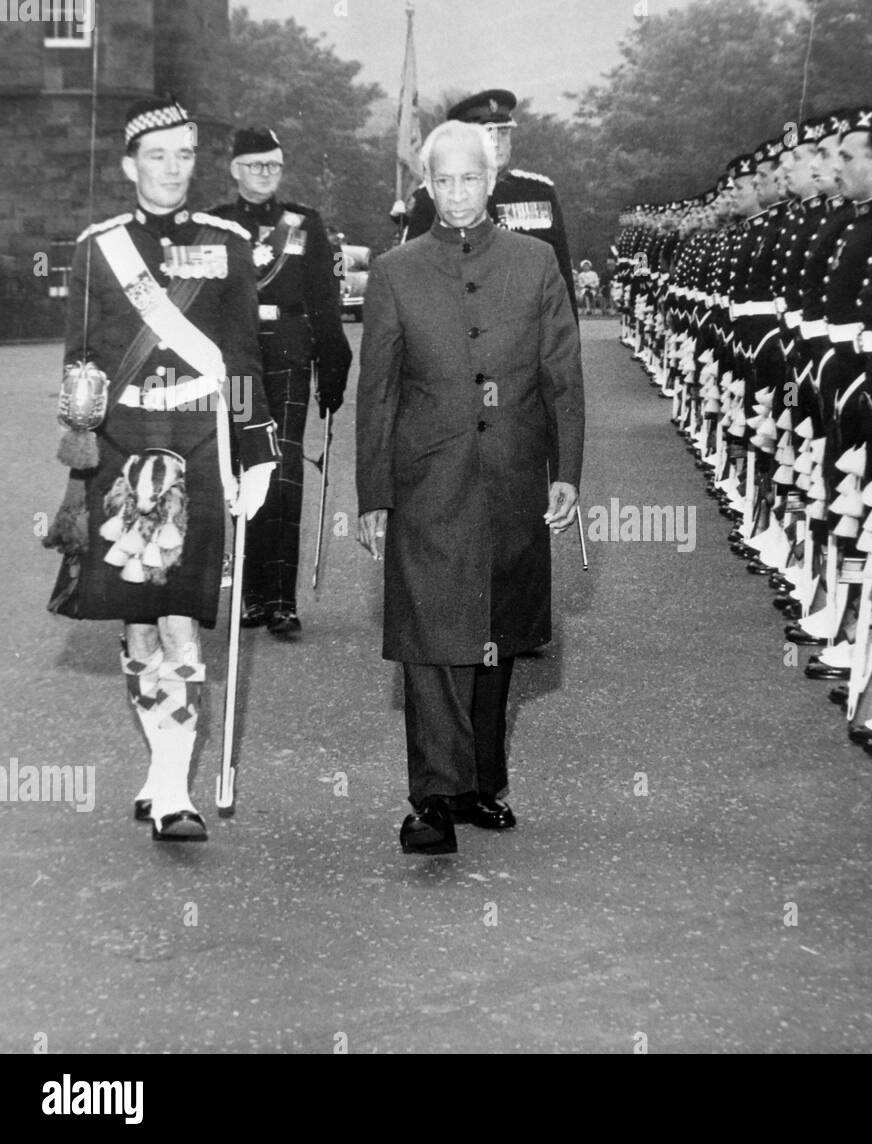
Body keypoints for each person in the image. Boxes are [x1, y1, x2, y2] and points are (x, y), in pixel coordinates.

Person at [43, 98, 278, 842]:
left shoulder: (228, 243)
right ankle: (162, 761)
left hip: (200, 441)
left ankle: (175, 787)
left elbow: (242, 359)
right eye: (157, 156)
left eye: (183, 155)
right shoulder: (98, 248)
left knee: (179, 615)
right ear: (128, 166)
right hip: (121, 445)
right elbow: (80, 362)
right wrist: (81, 450)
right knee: (138, 625)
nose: (172, 169)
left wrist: (256, 449)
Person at [357, 120, 585, 857]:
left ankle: (480, 782)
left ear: (493, 182)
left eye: (471, 179)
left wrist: (567, 473)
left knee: (495, 631)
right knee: (430, 636)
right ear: (427, 185)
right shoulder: (395, 271)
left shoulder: (536, 261)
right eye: (443, 181)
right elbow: (379, 394)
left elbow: (563, 378)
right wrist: (372, 495)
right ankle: (430, 798)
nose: (457, 195)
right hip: (429, 479)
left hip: (515, 474)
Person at [209, 127, 351, 635]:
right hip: (241, 365)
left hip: (291, 355)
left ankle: (282, 600)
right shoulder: (216, 225)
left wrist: (334, 360)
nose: (265, 174)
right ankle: (251, 595)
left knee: (286, 470)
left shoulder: (305, 225)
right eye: (255, 165)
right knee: (250, 466)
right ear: (235, 169)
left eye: (273, 165)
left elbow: (323, 297)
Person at [403, 88, 577, 315]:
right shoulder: (430, 197)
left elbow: (561, 276)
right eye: (487, 135)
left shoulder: (538, 192)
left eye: (503, 133)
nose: (496, 143)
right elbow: (411, 279)